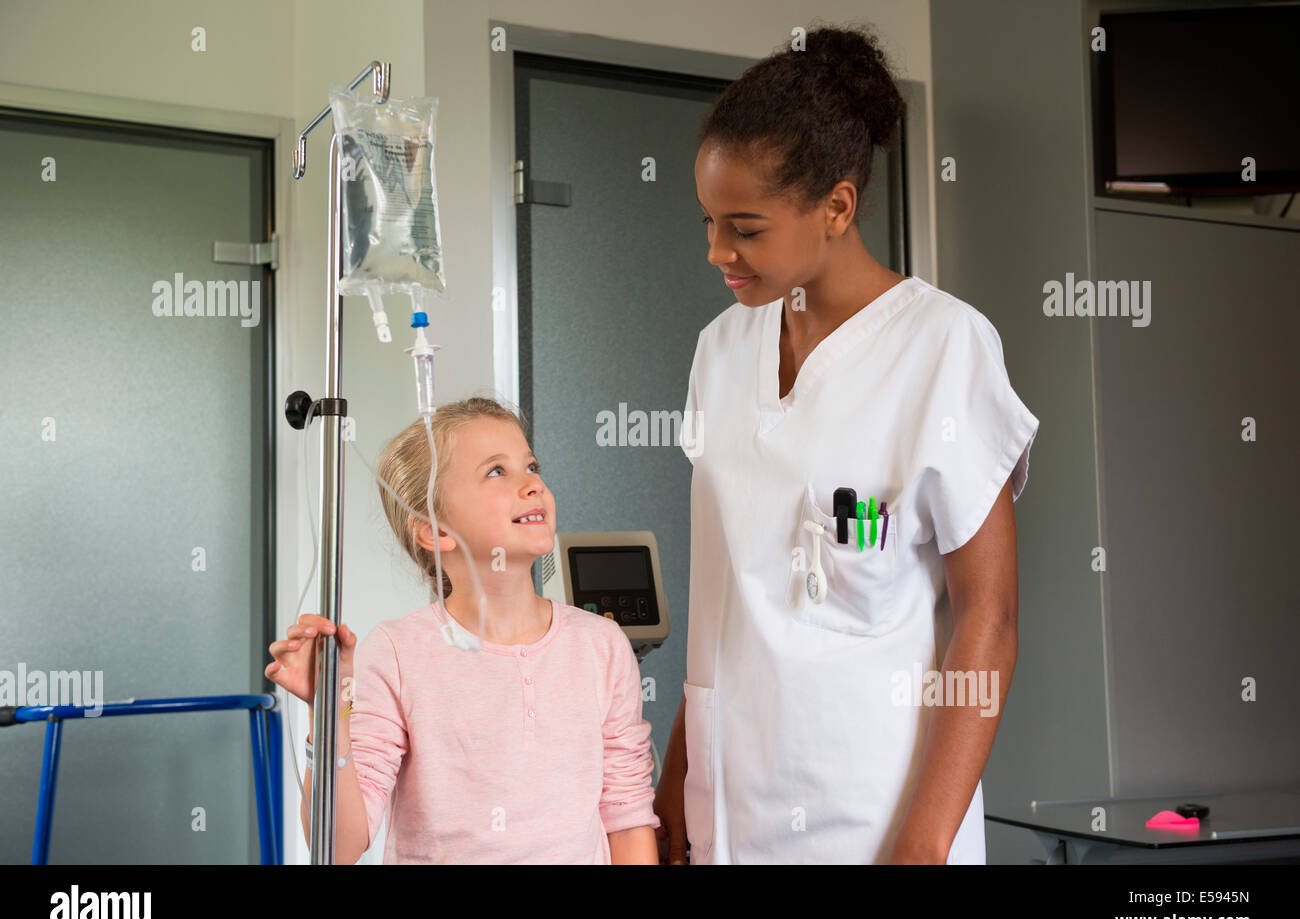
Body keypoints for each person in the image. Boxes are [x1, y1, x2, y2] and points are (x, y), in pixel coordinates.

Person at [653, 23, 1040, 864]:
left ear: (836, 206)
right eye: (709, 221)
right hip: (727, 811)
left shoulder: (943, 347)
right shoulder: (720, 350)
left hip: (874, 818)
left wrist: (925, 842)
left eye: (745, 228)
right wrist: (675, 783)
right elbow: (725, 602)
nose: (716, 251)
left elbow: (991, 616)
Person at [267, 397, 659, 863]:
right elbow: (339, 847)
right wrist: (331, 717)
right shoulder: (397, 652)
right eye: (497, 472)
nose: (532, 483)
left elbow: (627, 816)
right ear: (434, 532)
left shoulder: (600, 645)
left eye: (531, 465)